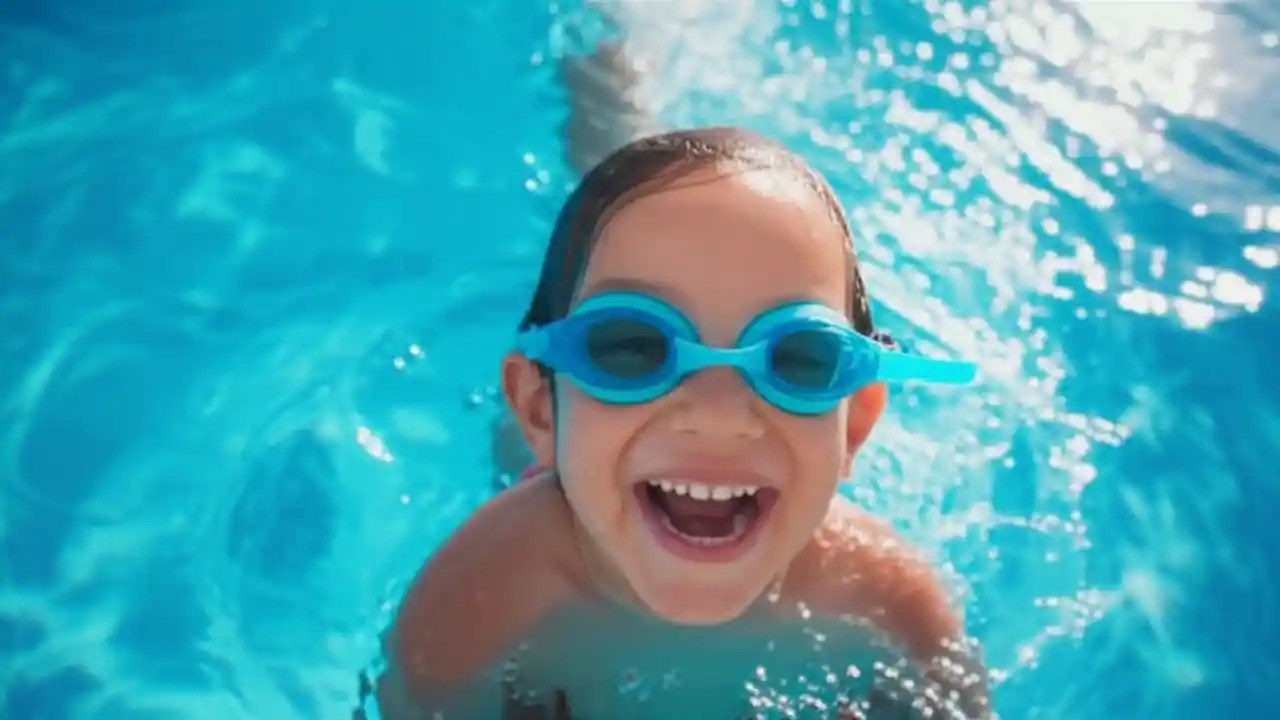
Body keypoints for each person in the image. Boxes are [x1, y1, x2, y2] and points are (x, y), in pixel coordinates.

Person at [373, 123, 991, 719]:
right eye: (628, 346)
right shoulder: (479, 603)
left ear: (854, 422)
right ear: (539, 406)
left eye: (801, 358)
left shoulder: (886, 603)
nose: (720, 416)